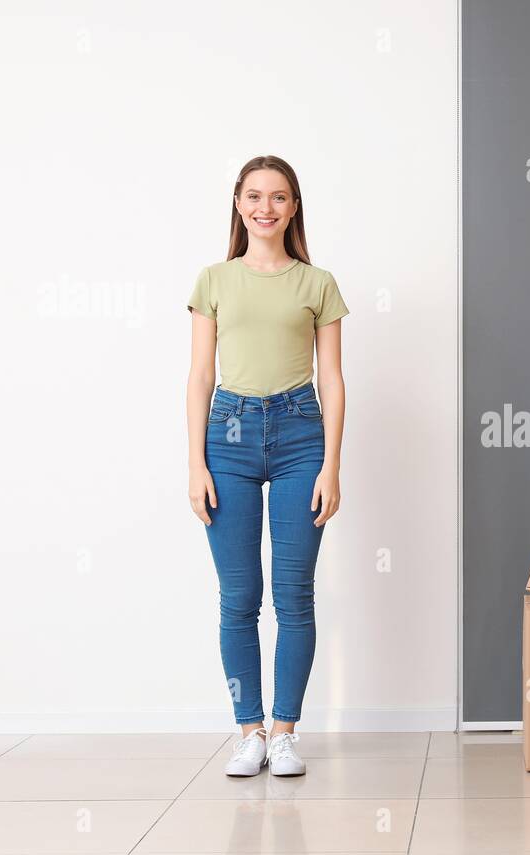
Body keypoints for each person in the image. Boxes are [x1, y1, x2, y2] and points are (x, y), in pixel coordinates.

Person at [185, 155, 349, 777]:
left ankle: (284, 732)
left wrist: (331, 463)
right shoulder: (214, 280)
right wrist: (195, 462)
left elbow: (331, 379)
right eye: (254, 196)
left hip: (301, 434)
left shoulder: (318, 284)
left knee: (293, 595)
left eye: (278, 197)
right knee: (238, 597)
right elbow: (201, 375)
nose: (266, 207)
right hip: (227, 436)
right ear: (237, 204)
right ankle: (247, 729)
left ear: (294, 207)